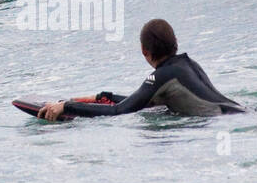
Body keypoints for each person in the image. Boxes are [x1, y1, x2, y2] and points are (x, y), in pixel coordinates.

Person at [36, 19, 244, 119]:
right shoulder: (188, 65)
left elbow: (121, 111)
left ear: (144, 51)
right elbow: (138, 100)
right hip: (241, 113)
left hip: (224, 121)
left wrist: (67, 107)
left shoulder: (161, 77)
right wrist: (101, 96)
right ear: (175, 43)